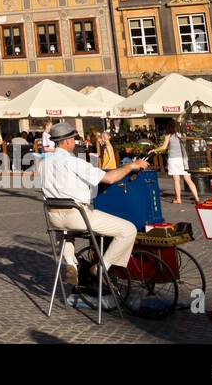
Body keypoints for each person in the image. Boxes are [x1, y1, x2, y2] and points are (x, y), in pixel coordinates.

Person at [42, 122, 151, 287]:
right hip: (77, 216)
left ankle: (70, 262)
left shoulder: (44, 163)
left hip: (53, 217)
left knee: (65, 232)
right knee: (128, 229)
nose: (75, 142)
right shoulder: (72, 162)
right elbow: (110, 178)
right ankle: (101, 267)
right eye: (73, 139)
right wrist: (131, 166)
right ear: (67, 141)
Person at [151, 118, 201, 204]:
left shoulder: (169, 135)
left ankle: (178, 199)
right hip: (184, 159)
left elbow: (164, 147)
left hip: (173, 159)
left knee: (176, 180)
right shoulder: (183, 134)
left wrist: (154, 150)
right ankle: (197, 198)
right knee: (188, 179)